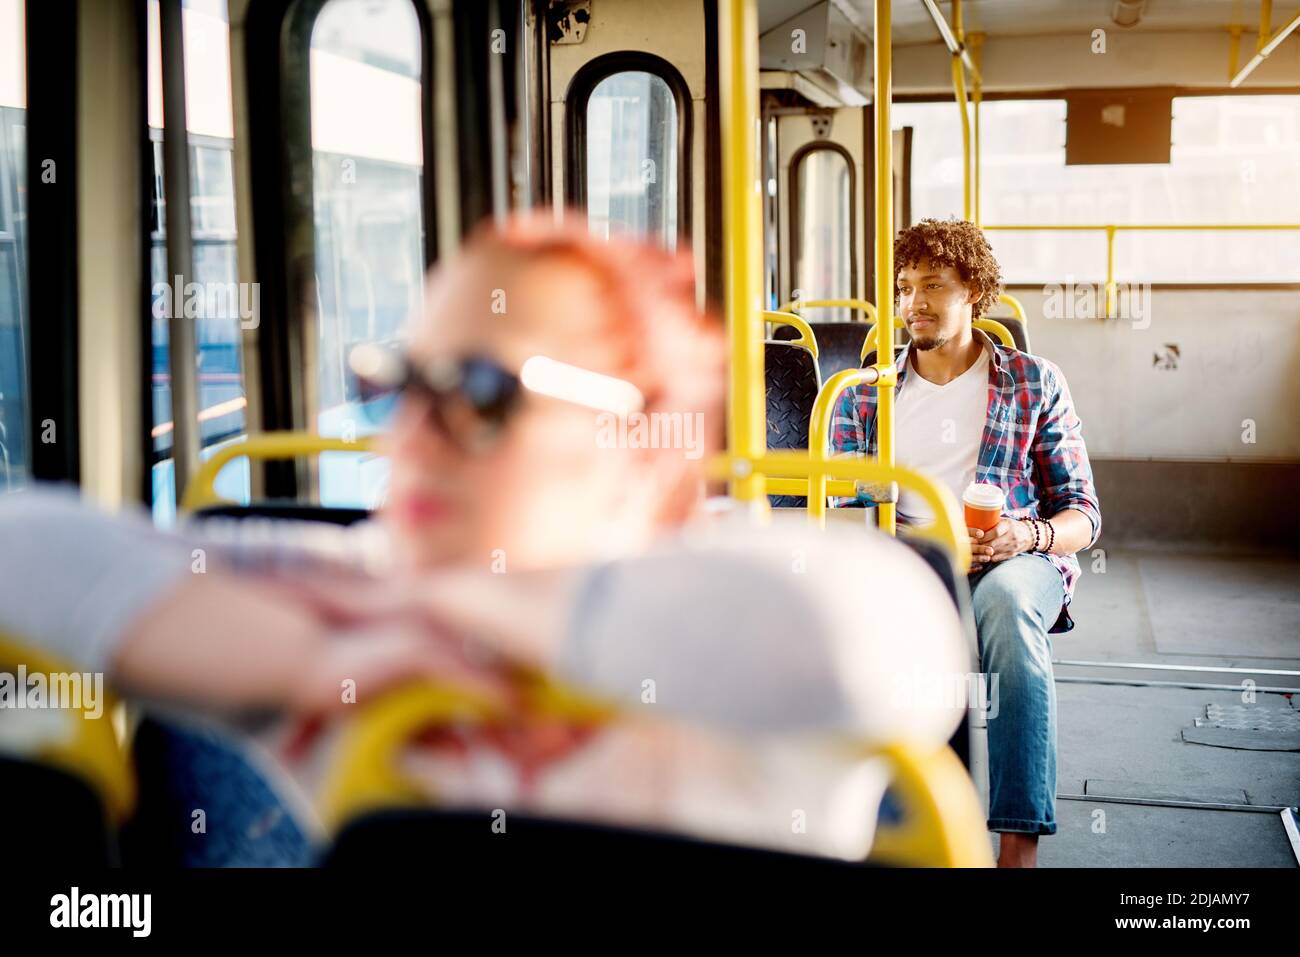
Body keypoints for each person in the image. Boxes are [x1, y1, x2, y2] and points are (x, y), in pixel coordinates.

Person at [829, 218, 1102, 867]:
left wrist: (1022, 536)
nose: (913, 302)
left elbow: (1084, 515)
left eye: (932, 285)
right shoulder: (864, 395)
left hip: (1015, 557)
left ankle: (1015, 845)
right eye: (903, 287)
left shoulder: (1034, 381)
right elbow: (839, 506)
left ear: (973, 291)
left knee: (1006, 605)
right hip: (910, 559)